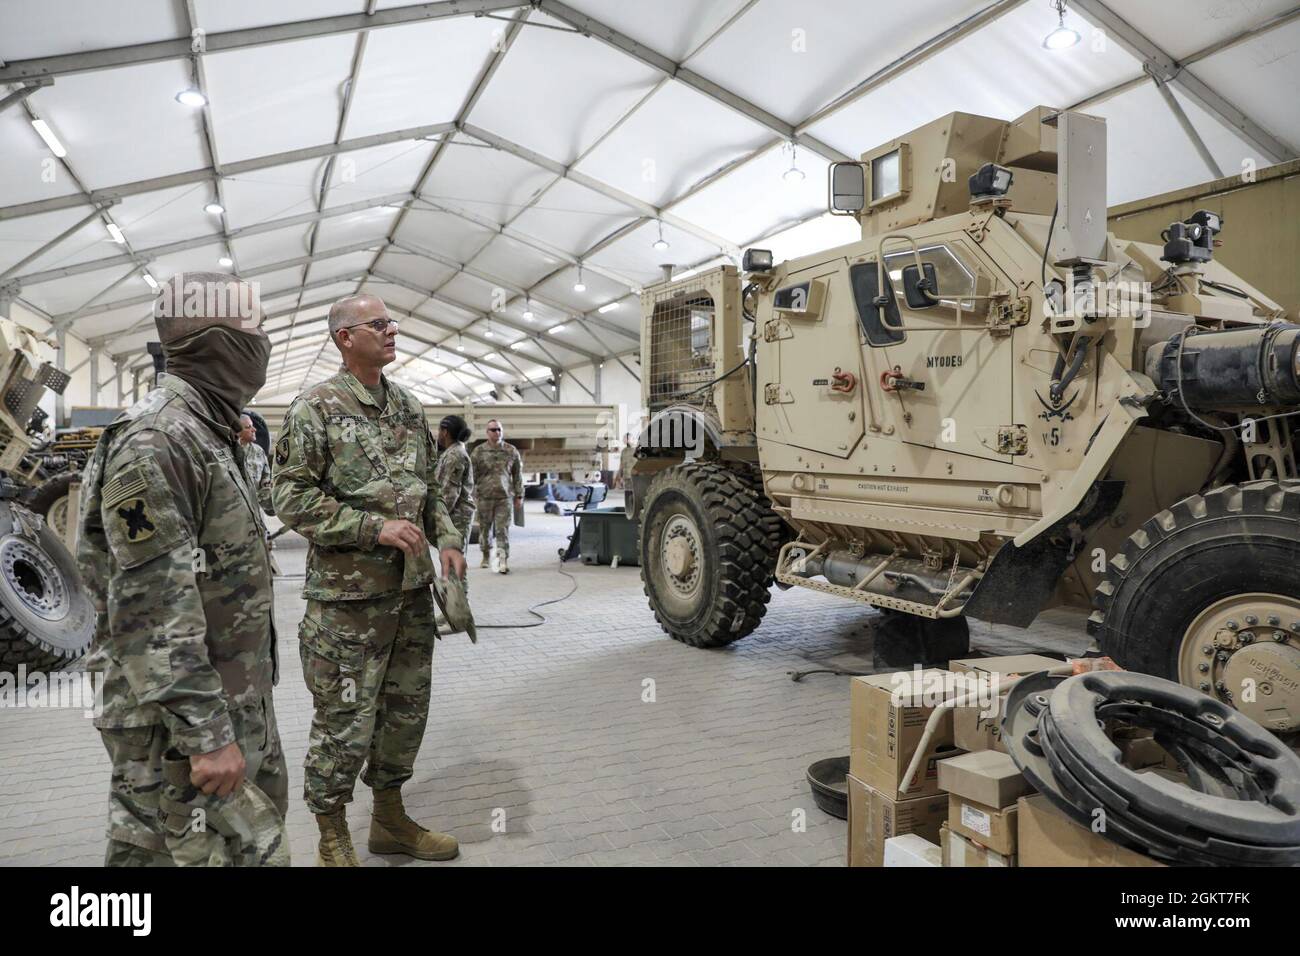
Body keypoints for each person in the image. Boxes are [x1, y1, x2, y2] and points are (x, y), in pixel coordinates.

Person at [78, 272, 288, 867]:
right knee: (171, 856)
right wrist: (205, 734)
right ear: (219, 340)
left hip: (230, 699)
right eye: (258, 328)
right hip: (178, 723)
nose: (265, 340)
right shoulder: (158, 439)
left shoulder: (210, 430)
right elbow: (151, 609)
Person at [272, 292, 467, 867]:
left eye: (392, 321)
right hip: (347, 604)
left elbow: (427, 490)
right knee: (345, 720)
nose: (392, 330)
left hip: (410, 594)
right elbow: (288, 496)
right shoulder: (315, 408)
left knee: (405, 713)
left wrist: (449, 537)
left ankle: (389, 818)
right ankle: (332, 836)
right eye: (378, 324)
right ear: (344, 337)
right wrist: (370, 528)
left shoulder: (407, 406)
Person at [469, 418, 523, 574]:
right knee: (485, 529)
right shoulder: (478, 452)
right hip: (484, 497)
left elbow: (517, 475)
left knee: (502, 530)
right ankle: (486, 555)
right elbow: (471, 476)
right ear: (487, 433)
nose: (497, 432)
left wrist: (519, 496)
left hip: (504, 498)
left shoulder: (511, 451)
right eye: (493, 430)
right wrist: (471, 495)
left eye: (499, 429)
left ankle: (502, 559)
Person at [434, 415, 475, 544]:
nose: (438, 434)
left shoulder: (454, 455)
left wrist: (439, 518)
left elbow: (450, 493)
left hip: (455, 517)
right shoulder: (453, 452)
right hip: (454, 515)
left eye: (439, 430)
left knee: (454, 561)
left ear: (445, 432)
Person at [238, 413, 274, 514]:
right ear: (237, 431)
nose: (254, 429)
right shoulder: (228, 452)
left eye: (252, 425)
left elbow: (265, 479)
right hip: (235, 516)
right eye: (248, 427)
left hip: (256, 513)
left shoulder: (259, 451)